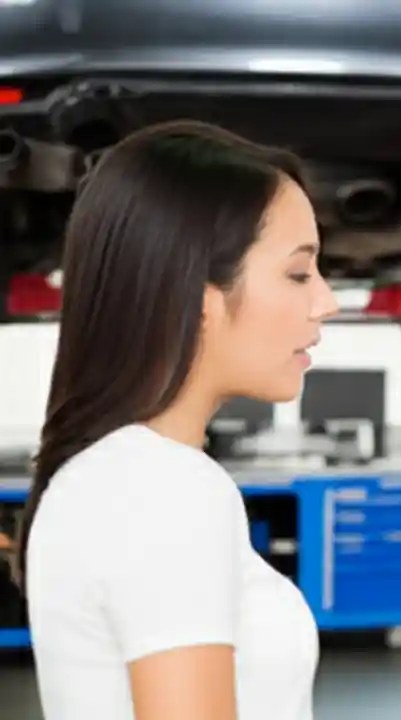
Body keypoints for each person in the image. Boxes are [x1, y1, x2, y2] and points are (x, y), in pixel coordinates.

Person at [13, 120, 339, 720]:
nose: (327, 301)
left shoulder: (103, 475)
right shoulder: (164, 487)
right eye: (298, 273)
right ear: (196, 296)